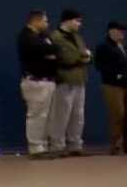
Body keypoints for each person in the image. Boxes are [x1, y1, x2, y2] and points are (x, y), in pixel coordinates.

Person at [16, 10, 59, 159]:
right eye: (45, 21)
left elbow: (54, 49)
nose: (47, 24)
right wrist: (50, 52)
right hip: (35, 81)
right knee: (36, 115)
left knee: (46, 116)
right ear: (35, 21)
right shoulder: (26, 37)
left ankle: (43, 145)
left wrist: (51, 53)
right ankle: (35, 147)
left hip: (47, 80)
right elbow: (43, 50)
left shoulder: (43, 36)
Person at [48, 9, 90, 157]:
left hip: (79, 79)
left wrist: (82, 57)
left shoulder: (77, 37)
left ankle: (75, 145)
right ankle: (57, 145)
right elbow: (65, 58)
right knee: (61, 114)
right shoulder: (55, 37)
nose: (79, 24)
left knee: (78, 115)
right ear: (66, 20)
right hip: (64, 80)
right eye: (77, 21)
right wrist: (82, 57)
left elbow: (85, 54)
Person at [95, 21, 127, 155]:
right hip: (112, 85)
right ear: (111, 31)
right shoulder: (103, 47)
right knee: (118, 114)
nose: (122, 33)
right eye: (120, 30)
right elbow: (100, 65)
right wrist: (116, 75)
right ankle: (116, 144)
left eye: (123, 31)